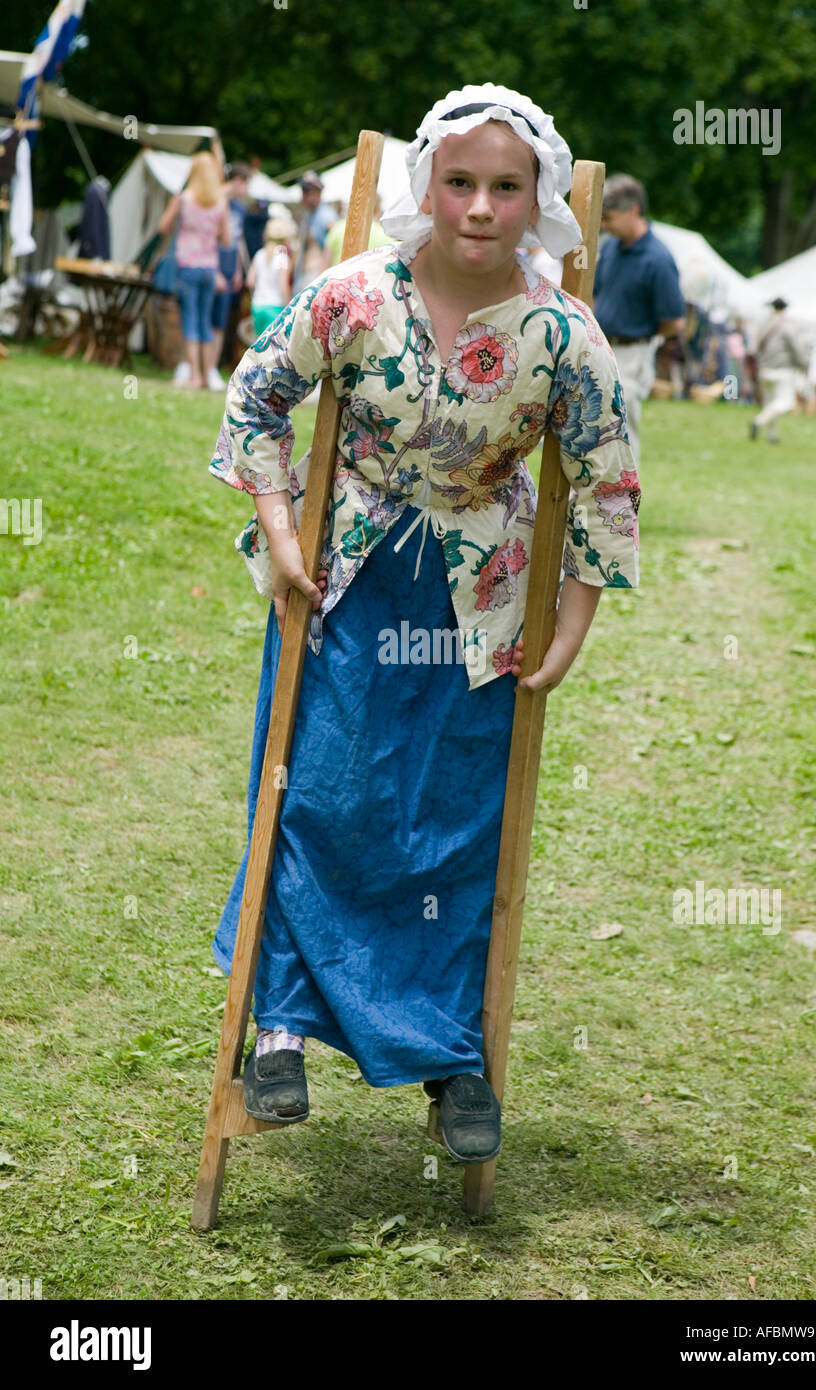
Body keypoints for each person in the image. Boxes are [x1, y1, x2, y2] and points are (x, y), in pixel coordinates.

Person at [206, 83, 639, 1165]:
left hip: (480, 594)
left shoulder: (562, 335)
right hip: (344, 578)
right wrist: (276, 518)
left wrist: (574, 614)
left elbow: (605, 481)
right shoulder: (353, 295)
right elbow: (255, 398)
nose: (480, 208)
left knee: (451, 817)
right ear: (427, 186)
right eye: (460, 183)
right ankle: (283, 1027)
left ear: (536, 198)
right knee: (319, 790)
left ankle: (450, 1056)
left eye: (505, 187)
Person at [592, 173, 685, 464]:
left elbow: (674, 320)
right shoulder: (608, 248)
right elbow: (596, 293)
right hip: (601, 348)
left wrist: (639, 336)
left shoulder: (658, 259)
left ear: (633, 210)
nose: (604, 224)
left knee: (623, 432)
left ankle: (623, 504)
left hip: (633, 353)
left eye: (609, 216)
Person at [158, 151, 230, 390]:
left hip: (187, 265)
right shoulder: (220, 202)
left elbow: (163, 227)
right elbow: (226, 239)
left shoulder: (184, 199)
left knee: (189, 319)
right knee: (205, 321)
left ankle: (194, 376)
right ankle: (207, 373)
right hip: (210, 268)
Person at [210, 161, 252, 384]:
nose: (246, 191)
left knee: (219, 321)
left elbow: (236, 242)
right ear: (237, 181)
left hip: (228, 270)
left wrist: (237, 270)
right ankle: (197, 367)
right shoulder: (215, 201)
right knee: (205, 318)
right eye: (246, 184)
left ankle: (211, 369)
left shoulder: (239, 208)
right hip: (211, 267)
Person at [750, 297, 809, 442]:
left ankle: (772, 435)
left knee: (769, 404)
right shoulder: (787, 326)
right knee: (786, 402)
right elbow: (796, 348)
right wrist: (803, 365)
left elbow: (755, 347)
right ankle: (759, 421)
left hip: (764, 368)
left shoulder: (763, 324)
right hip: (783, 370)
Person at [246, 213, 299, 335]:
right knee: (271, 349)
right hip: (275, 306)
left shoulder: (260, 254)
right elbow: (283, 285)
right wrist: (288, 308)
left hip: (257, 305)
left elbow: (250, 281)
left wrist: (257, 296)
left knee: (258, 345)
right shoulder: (282, 257)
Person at [291, 170, 337, 293]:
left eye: (311, 192)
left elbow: (336, 243)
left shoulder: (326, 216)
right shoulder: (308, 215)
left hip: (318, 276)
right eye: (305, 192)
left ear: (319, 192)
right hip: (305, 276)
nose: (307, 196)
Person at [321, 195, 392, 268]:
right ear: (378, 209)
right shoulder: (385, 234)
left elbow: (325, 263)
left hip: (337, 278)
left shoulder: (337, 228)